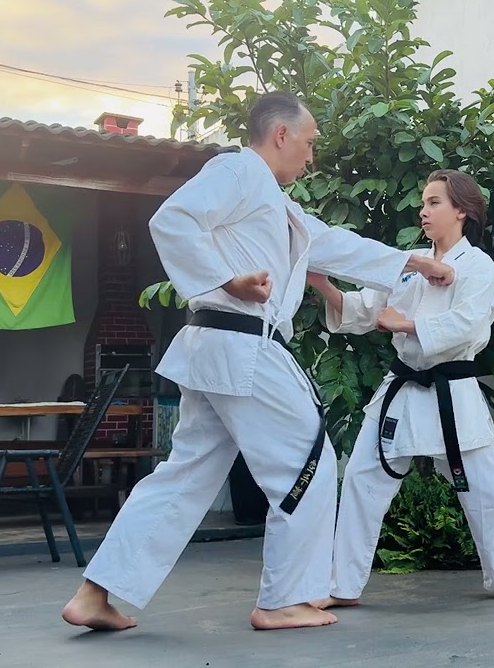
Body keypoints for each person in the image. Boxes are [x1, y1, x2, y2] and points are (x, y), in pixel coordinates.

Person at [61, 91, 457, 632]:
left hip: (219, 351)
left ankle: (95, 593)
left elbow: (331, 244)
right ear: (281, 135)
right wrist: (227, 279)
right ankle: (283, 599)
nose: (312, 156)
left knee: (183, 477)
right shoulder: (238, 171)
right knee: (307, 462)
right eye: (310, 143)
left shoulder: (277, 203)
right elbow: (171, 220)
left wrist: (413, 261)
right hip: (243, 345)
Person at [306, 169, 494, 609]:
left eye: (434, 202)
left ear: (462, 211)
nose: (424, 210)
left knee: (486, 486)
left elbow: (468, 325)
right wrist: (324, 286)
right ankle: (342, 585)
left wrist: (408, 324)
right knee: (362, 479)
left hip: (453, 391)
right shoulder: (409, 263)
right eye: (423, 202)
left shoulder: (480, 268)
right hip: (402, 388)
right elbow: (364, 311)